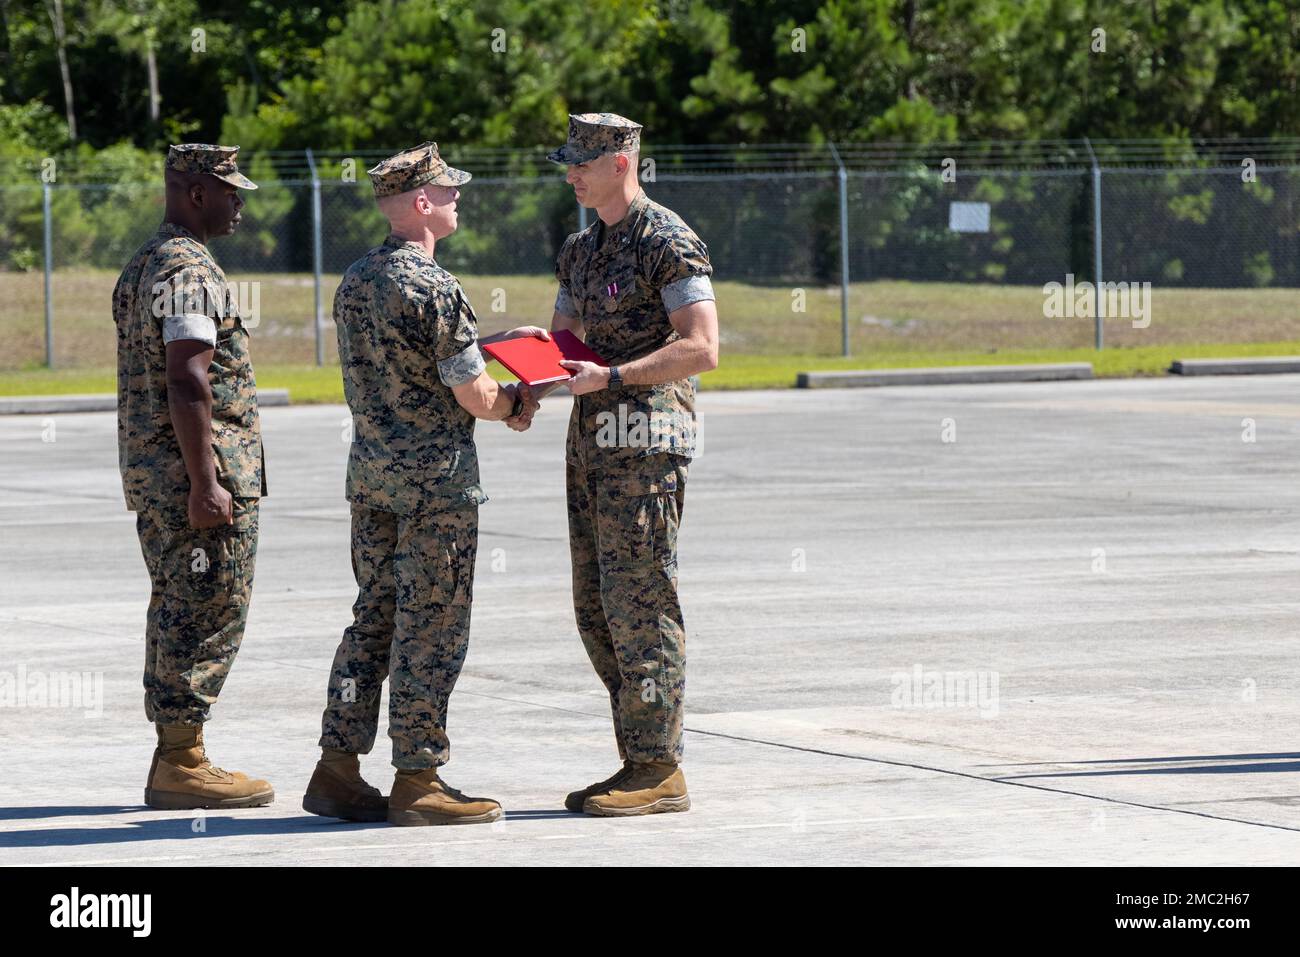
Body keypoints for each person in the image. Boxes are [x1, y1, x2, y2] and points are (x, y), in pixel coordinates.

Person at [303, 142, 542, 826]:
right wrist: (517, 403)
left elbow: (412, 354)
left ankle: (337, 765)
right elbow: (472, 392)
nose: (457, 197)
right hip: (435, 484)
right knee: (431, 623)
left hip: (374, 478)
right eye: (447, 190)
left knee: (373, 619)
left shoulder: (356, 279)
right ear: (419, 203)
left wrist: (495, 338)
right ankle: (419, 776)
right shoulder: (434, 285)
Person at [545, 114, 719, 816]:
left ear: (622, 163)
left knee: (641, 599)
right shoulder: (582, 248)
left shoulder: (666, 238)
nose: (570, 174)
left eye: (581, 162)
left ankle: (659, 766)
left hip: (645, 441)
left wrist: (612, 377)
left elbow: (703, 345)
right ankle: (636, 758)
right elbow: (562, 337)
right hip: (591, 441)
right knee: (596, 606)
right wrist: (527, 375)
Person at [113, 143, 273, 809]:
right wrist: (207, 481)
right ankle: (182, 759)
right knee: (206, 609)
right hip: (194, 480)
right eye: (229, 189)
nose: (239, 201)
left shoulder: (147, 261)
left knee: (175, 604)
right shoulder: (187, 268)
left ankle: (176, 751)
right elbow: (187, 376)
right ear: (194, 191)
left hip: (156, 475)